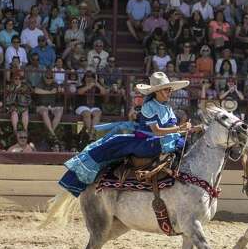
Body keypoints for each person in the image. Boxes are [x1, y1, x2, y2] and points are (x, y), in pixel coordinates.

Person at [59, 72, 199, 197]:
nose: (169, 92)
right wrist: (179, 128)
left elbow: (172, 128)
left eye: (170, 90)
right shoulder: (148, 106)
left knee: (186, 144)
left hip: (164, 139)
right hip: (147, 142)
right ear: (157, 91)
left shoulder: (167, 108)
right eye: (166, 90)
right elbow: (157, 131)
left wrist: (189, 129)